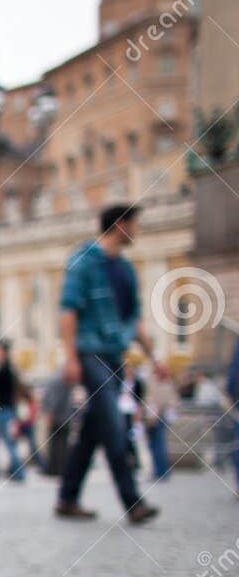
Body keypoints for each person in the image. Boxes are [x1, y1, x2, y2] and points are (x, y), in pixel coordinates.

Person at [55, 204, 164, 523]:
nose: (137, 230)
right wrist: (71, 357)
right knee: (114, 424)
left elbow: (135, 320)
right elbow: (68, 311)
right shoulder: (83, 262)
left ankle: (67, 497)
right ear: (120, 225)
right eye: (134, 224)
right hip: (90, 353)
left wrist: (154, 358)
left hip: (114, 356)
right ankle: (133, 503)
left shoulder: (126, 270)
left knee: (94, 428)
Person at [0, 340, 23, 482]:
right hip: (4, 409)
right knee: (2, 441)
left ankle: (14, 472)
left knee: (5, 441)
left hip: (4, 410)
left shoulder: (4, 369)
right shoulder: (4, 367)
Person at [141, 366, 177, 480]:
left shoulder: (158, 384)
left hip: (156, 418)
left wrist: (151, 417)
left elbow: (153, 401)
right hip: (161, 417)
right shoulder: (167, 384)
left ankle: (160, 471)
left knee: (157, 445)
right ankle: (162, 470)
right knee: (158, 445)